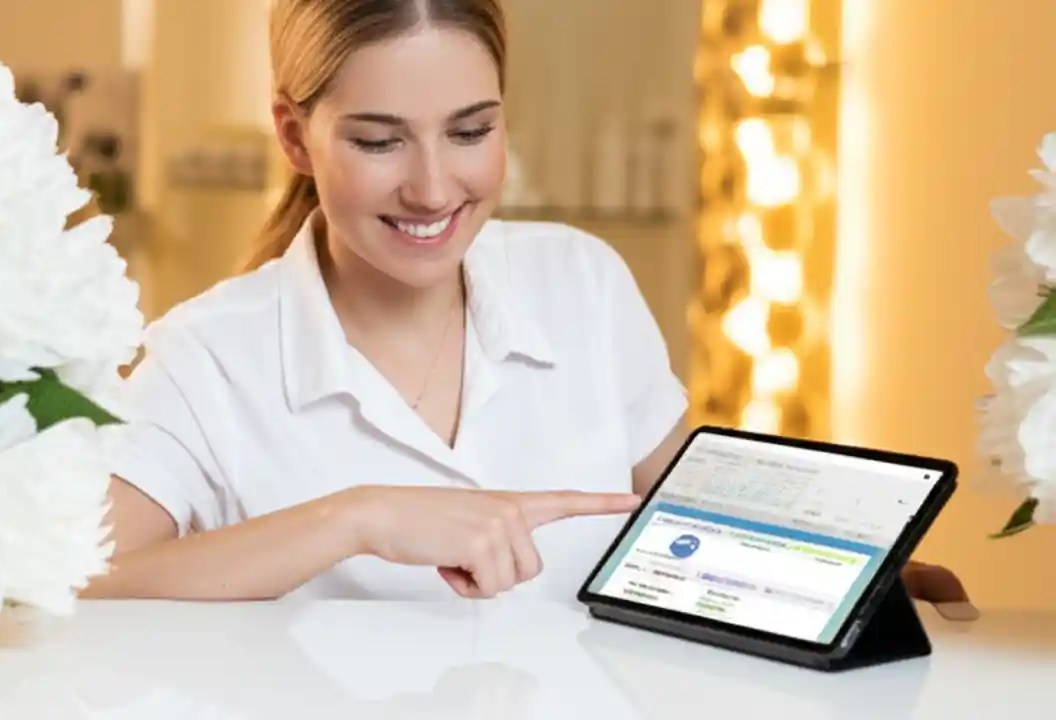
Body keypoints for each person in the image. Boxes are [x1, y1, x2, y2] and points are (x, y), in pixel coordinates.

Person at [85, 0, 971, 611]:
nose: (434, 187)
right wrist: (355, 518)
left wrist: (846, 585)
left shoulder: (580, 283)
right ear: (295, 137)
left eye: (471, 132)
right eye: (379, 140)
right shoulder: (208, 356)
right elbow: (66, 587)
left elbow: (680, 513)